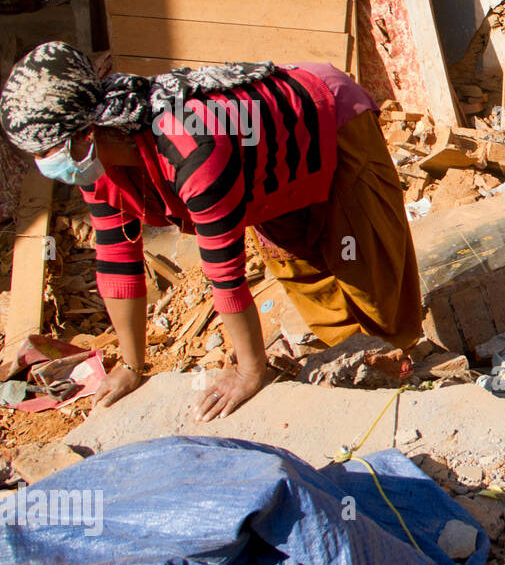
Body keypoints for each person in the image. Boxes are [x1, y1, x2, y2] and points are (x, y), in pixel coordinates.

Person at [0, 42, 423, 421]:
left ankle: (404, 368)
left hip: (325, 118)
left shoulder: (189, 144)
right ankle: (356, 363)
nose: (44, 163)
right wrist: (131, 366)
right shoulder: (98, 170)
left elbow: (224, 270)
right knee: (301, 269)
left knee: (368, 265)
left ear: (85, 133)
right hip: (263, 171)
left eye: (45, 151)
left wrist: (249, 371)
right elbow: (116, 260)